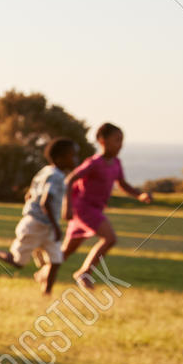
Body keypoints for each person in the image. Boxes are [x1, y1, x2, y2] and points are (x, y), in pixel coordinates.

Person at [0, 138, 79, 294]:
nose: (76, 159)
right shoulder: (55, 176)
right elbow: (45, 202)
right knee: (18, 262)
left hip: (46, 226)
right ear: (59, 158)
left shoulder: (45, 171)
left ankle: (46, 293)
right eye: (73, 155)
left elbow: (29, 194)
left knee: (56, 260)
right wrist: (56, 226)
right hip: (36, 225)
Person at [62, 122, 151, 288]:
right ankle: (85, 272)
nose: (120, 145)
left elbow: (122, 184)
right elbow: (70, 180)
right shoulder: (94, 163)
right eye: (117, 140)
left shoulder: (116, 163)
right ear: (102, 141)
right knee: (110, 238)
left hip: (95, 209)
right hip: (83, 208)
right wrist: (67, 207)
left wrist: (140, 195)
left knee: (66, 251)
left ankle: (44, 272)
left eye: (122, 140)